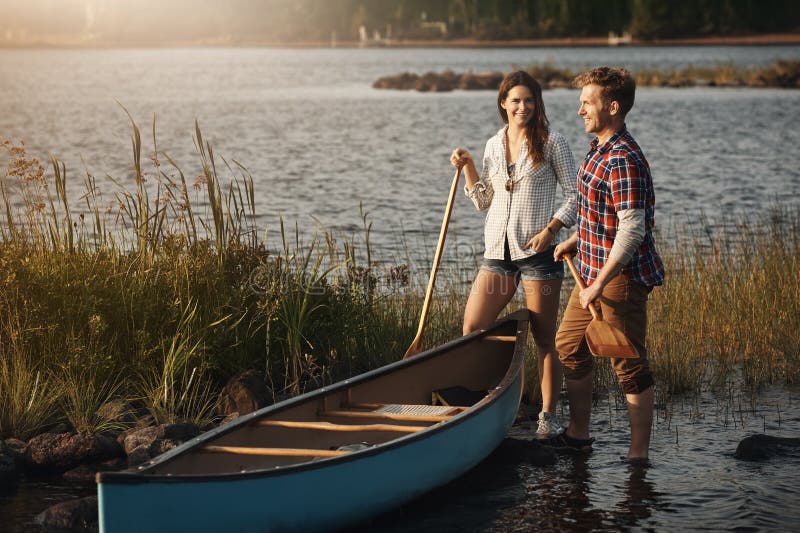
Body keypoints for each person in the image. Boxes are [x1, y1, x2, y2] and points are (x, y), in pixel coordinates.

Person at [451, 70, 577, 439]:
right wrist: (469, 167)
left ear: (537, 104)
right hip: (498, 253)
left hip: (538, 254)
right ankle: (496, 398)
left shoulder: (553, 142)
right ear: (503, 103)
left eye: (529, 100)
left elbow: (575, 195)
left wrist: (551, 229)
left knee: (544, 338)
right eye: (515, 100)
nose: (522, 107)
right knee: (473, 328)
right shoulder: (493, 144)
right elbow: (483, 201)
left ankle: (548, 415)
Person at [553, 66, 664, 460]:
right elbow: (601, 215)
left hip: (620, 277)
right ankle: (579, 435)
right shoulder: (598, 149)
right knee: (569, 345)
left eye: (587, 102)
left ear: (612, 107)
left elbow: (631, 231)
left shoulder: (624, 159)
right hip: (590, 270)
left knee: (627, 363)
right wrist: (574, 240)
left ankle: (638, 457)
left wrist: (599, 283)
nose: (580, 109)